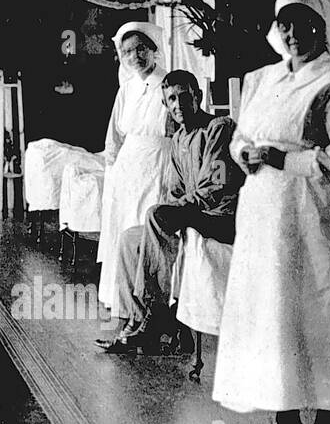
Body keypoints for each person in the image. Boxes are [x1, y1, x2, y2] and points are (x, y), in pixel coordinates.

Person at [213, 0, 330, 424]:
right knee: (271, 318)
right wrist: (245, 153)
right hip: (264, 216)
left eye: (302, 24)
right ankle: (285, 421)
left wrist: (284, 158)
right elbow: (242, 135)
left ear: (321, 29)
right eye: (284, 24)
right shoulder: (262, 79)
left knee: (315, 317)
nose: (291, 33)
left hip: (311, 219)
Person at [97, 69, 242, 353]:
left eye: (183, 97)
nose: (177, 105)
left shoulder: (219, 128)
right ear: (165, 105)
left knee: (157, 215)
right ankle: (135, 323)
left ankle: (157, 314)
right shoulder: (177, 141)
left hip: (220, 216)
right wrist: (173, 209)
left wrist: (172, 211)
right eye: (171, 100)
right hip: (194, 214)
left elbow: (216, 184)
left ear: (197, 97)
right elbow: (174, 191)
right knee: (129, 238)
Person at [96, 22, 174, 317]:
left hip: (156, 164)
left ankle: (148, 306)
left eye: (141, 48)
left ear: (153, 50)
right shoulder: (126, 88)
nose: (135, 56)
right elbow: (114, 134)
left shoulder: (167, 85)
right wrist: (111, 168)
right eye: (127, 51)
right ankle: (122, 300)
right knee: (122, 228)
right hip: (127, 168)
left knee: (143, 229)